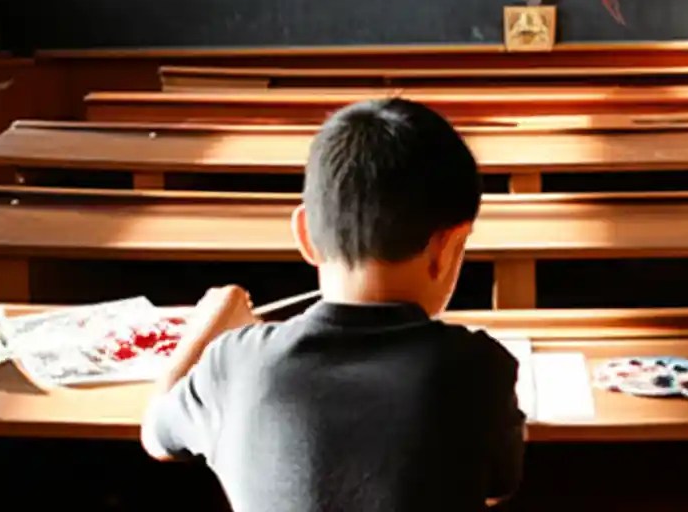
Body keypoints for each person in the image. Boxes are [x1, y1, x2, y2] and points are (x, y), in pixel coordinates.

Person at [139, 98, 526, 511]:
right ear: (447, 248)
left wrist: (208, 329)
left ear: (305, 235)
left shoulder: (235, 364)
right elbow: (497, 485)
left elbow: (155, 435)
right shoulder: (480, 369)